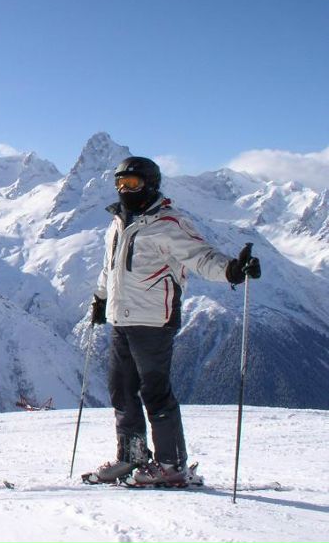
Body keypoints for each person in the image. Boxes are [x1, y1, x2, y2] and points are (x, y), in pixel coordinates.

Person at [83, 156, 261, 486]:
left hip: (154, 320)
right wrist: (101, 298)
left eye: (132, 183)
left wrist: (231, 270)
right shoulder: (117, 223)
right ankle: (132, 456)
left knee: (155, 392)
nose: (125, 189)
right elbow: (110, 268)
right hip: (121, 318)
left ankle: (171, 464)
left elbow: (201, 257)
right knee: (121, 390)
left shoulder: (169, 223)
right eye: (120, 183)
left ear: (151, 184)